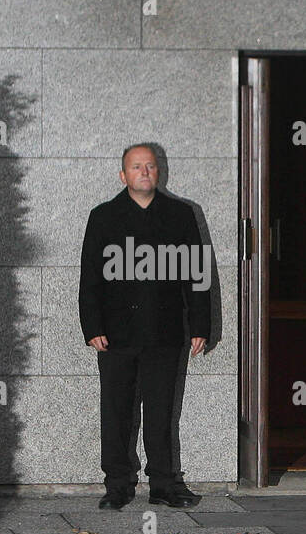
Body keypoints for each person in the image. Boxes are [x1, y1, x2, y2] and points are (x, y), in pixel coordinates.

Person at [79, 143, 210, 510]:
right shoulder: (103, 217)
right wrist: (92, 326)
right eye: (136, 167)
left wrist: (200, 325)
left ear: (159, 172)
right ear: (123, 175)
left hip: (164, 333)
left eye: (150, 166)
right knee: (116, 411)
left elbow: (196, 275)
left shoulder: (180, 215)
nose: (145, 172)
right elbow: (90, 277)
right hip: (115, 335)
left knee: (160, 412)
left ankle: (164, 485)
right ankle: (117, 485)